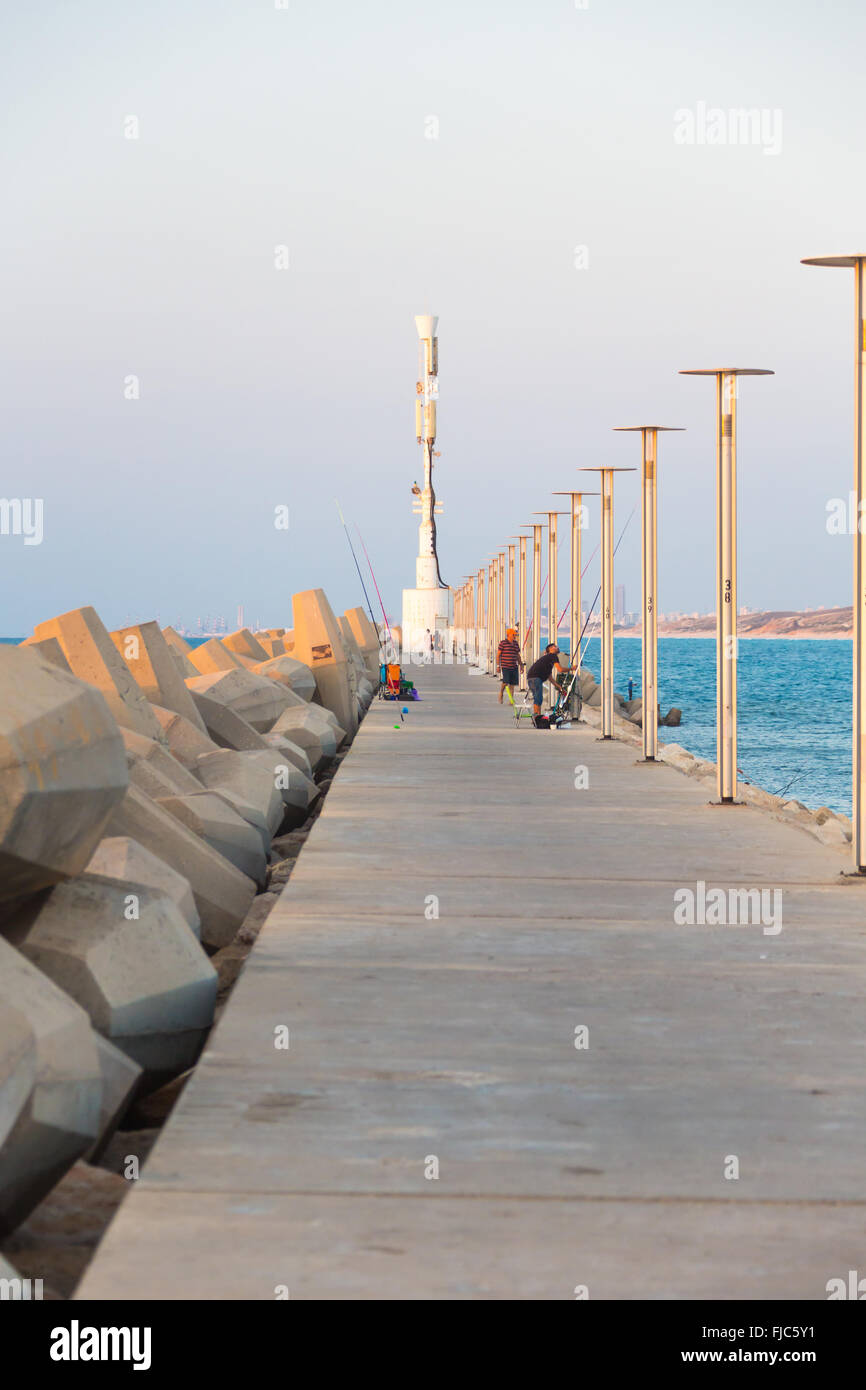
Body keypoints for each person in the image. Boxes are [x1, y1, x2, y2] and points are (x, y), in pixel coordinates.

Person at [527, 643, 570, 716]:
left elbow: (549, 677)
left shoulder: (548, 658)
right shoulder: (553, 656)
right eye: (555, 646)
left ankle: (538, 717)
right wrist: (572, 668)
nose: (557, 647)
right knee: (538, 699)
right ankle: (536, 718)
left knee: (538, 699)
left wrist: (558, 687)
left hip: (532, 678)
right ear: (551, 649)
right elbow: (560, 669)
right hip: (535, 678)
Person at [496, 627, 523, 703]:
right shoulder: (503, 643)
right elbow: (498, 655)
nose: (515, 636)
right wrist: (498, 666)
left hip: (514, 666)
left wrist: (521, 665)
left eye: (515, 635)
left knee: (512, 684)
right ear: (508, 635)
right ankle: (501, 692)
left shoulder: (515, 643)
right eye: (513, 634)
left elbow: (518, 655)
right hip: (505, 666)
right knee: (505, 682)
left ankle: (511, 699)